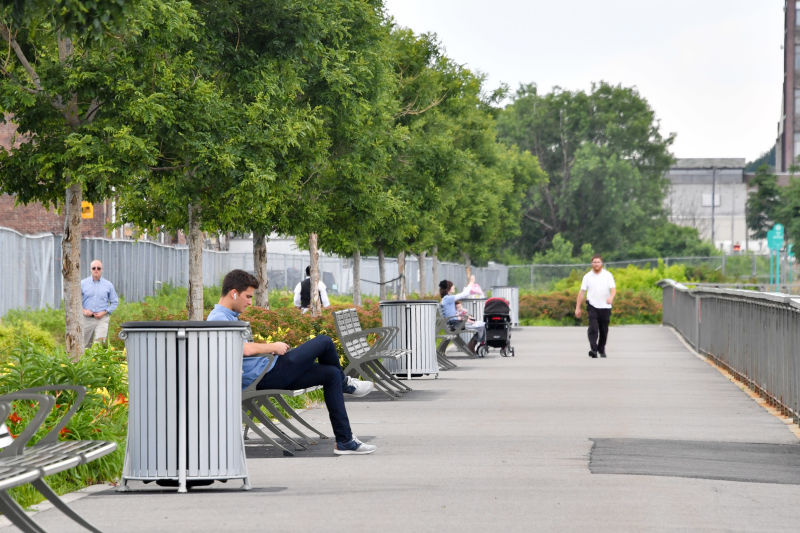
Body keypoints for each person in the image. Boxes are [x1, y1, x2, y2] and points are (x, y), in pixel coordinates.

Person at [208, 269, 376, 455]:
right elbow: (242, 349)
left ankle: (345, 440)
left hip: (272, 370)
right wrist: (273, 346)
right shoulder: (218, 319)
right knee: (324, 342)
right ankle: (347, 384)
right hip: (268, 375)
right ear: (233, 293)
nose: (250, 302)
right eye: (247, 297)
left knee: (331, 374)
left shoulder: (229, 317)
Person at [575, 254, 616, 358]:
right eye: (594, 262)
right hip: (592, 305)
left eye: (598, 262)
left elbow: (613, 289)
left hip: (605, 307)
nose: (596, 264)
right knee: (593, 328)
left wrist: (611, 298)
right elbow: (582, 292)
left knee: (604, 330)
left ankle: (601, 349)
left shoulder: (608, 275)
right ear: (591, 264)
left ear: (601, 263)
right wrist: (577, 308)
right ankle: (593, 349)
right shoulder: (587, 276)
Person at [439, 279, 486, 353]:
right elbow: (464, 294)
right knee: (482, 325)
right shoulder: (448, 299)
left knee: (480, 325)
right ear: (448, 288)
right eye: (452, 286)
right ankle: (473, 346)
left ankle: (471, 346)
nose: (454, 287)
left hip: (454, 323)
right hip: (456, 324)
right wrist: (470, 284)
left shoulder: (446, 299)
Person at [81, 259, 119, 347]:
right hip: (86, 319)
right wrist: (84, 311)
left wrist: (105, 312)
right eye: (94, 268)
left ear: (102, 270)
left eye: (98, 268)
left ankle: (96, 359)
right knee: (84, 345)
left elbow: (114, 302)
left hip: (102, 319)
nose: (96, 270)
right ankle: (85, 361)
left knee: (98, 345)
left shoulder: (108, 285)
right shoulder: (82, 284)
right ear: (90, 269)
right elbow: (76, 301)